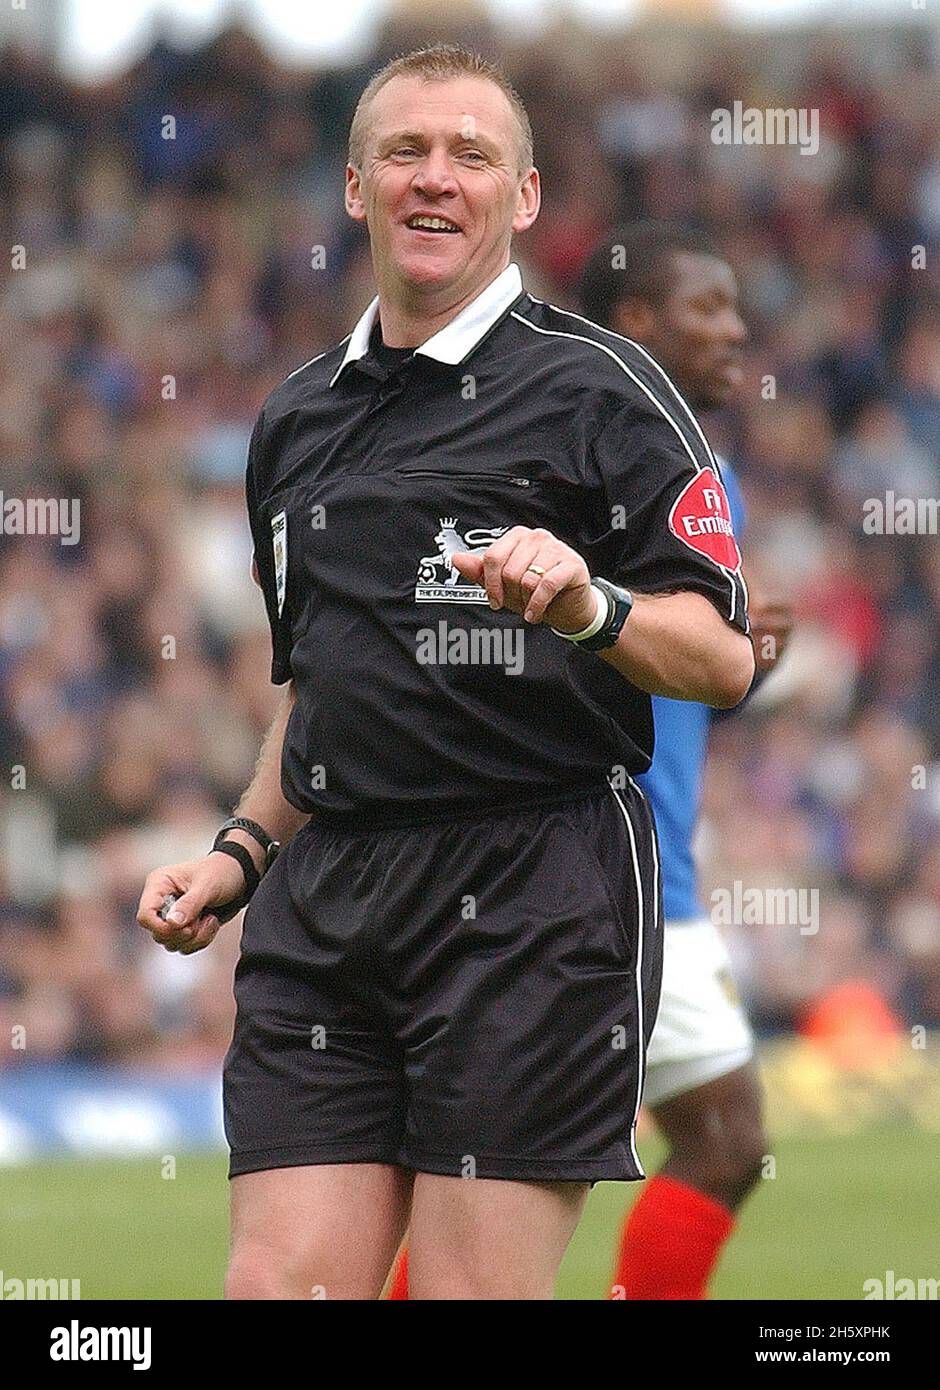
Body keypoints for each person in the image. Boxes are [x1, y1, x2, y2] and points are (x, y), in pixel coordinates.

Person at [137, 47, 753, 1301]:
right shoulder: (294, 419)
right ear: (355, 186)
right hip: (328, 904)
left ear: (521, 198)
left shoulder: (604, 390)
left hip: (535, 894)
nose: (434, 177)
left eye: (470, 155)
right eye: (404, 151)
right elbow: (321, 689)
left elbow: (722, 654)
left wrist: (590, 604)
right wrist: (241, 851)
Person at [578, 222, 793, 1299]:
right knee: (517, 1167)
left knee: (716, 1138)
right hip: (597, 868)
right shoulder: (592, 450)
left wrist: (740, 658)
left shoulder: (702, 468)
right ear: (636, 320)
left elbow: (679, 675)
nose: (735, 329)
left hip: (651, 868)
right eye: (707, 307)